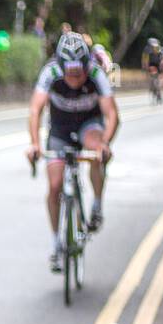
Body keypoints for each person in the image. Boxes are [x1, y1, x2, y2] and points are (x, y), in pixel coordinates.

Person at [26, 31, 120, 271]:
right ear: (61, 65)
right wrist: (35, 143)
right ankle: (56, 243)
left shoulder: (96, 73)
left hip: (89, 126)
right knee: (55, 186)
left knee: (96, 149)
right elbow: (35, 110)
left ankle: (97, 205)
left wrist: (105, 144)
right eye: (70, 72)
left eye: (79, 72)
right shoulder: (51, 72)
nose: (75, 78)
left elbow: (111, 114)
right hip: (60, 128)